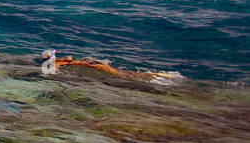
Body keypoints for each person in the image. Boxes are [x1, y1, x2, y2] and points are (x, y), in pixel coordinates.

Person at [39, 50, 181, 82]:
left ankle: (160, 77)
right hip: (96, 64)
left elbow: (55, 71)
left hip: (96, 66)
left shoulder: (57, 62)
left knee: (127, 76)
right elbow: (68, 60)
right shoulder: (59, 61)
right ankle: (162, 75)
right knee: (129, 74)